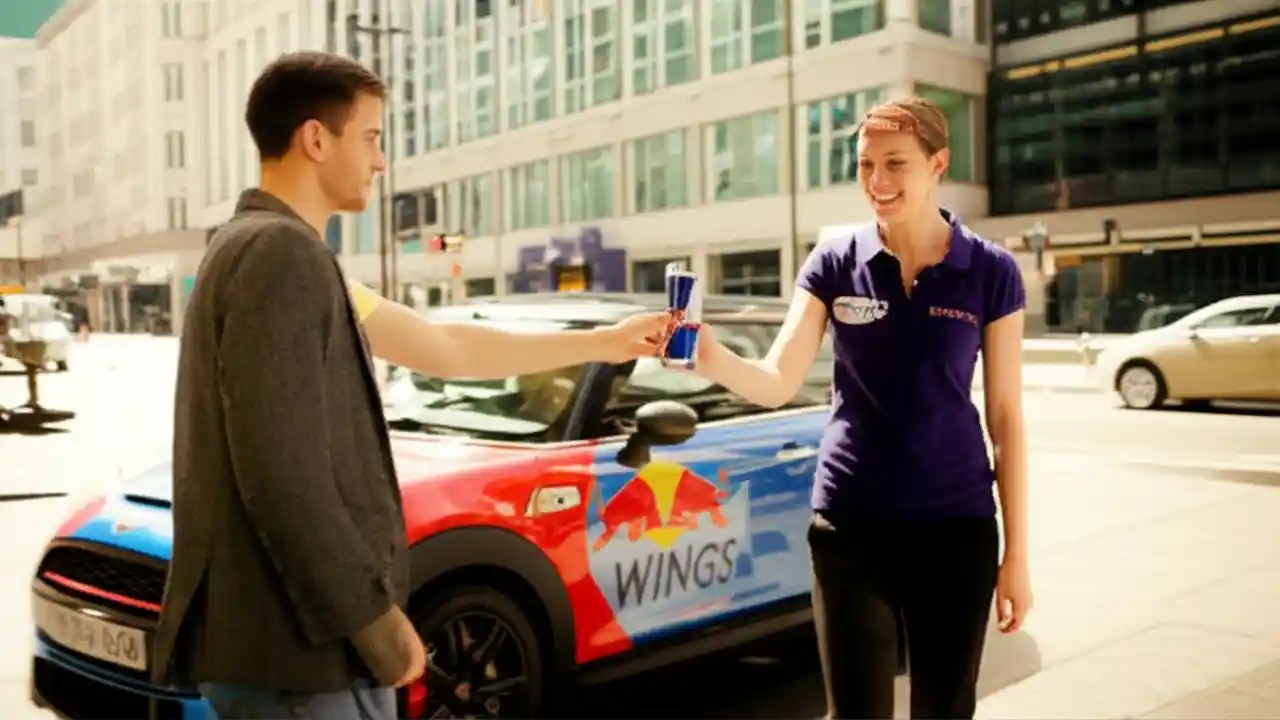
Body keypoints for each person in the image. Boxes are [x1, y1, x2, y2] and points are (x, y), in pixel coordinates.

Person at [151, 51, 668, 720]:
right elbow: (281, 476)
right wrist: (372, 621)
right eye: (370, 137)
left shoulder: (262, 250)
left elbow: (444, 346)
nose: (381, 161)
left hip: (287, 655)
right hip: (299, 656)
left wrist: (602, 343)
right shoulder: (282, 256)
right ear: (315, 139)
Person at [692, 96, 1032, 719]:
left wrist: (1017, 557)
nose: (877, 181)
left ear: (938, 164)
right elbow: (777, 378)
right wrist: (707, 355)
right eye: (865, 164)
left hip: (955, 529)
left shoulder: (990, 271)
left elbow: (1006, 419)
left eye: (895, 163)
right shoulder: (834, 263)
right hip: (850, 528)